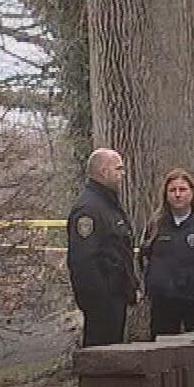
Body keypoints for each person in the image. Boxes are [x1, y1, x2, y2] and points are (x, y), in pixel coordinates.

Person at [65, 148, 138, 347]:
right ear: (104, 172)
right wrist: (98, 300)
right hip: (102, 301)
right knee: (100, 356)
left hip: (116, 296)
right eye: (118, 169)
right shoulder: (89, 209)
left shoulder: (108, 205)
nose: (122, 174)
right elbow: (83, 261)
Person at [140, 168, 194, 336]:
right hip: (164, 301)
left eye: (182, 189)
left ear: (192, 192)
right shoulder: (156, 224)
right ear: (166, 194)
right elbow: (145, 256)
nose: (177, 195)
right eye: (172, 190)